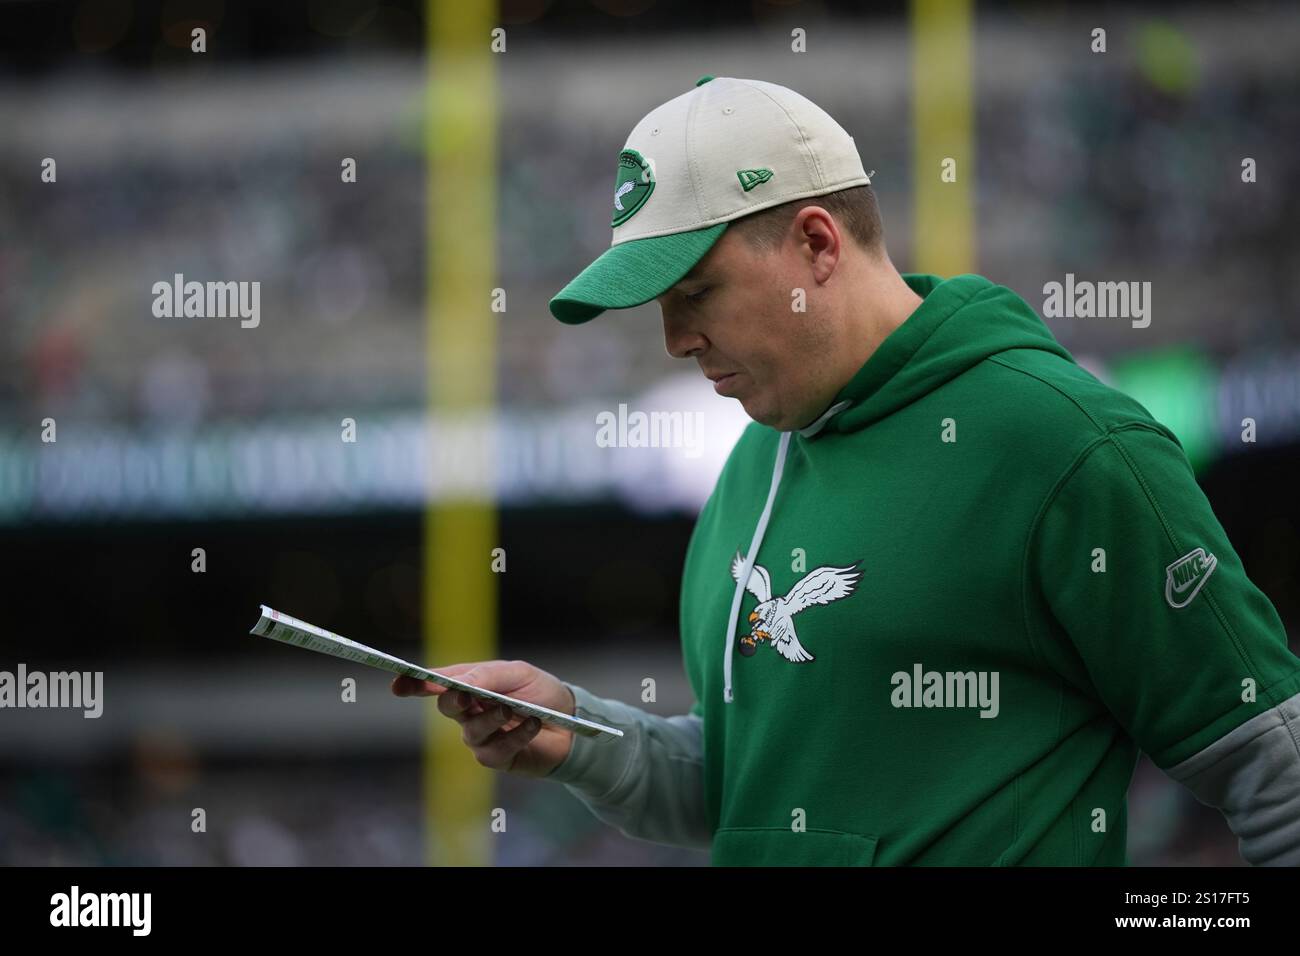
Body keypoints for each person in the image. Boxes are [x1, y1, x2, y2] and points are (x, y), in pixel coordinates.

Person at [393, 76, 1300, 865]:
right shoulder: (755, 461)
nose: (674, 341)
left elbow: (1274, 768)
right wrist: (581, 732)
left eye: (695, 294)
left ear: (818, 245)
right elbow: (755, 790)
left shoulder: (1064, 441)